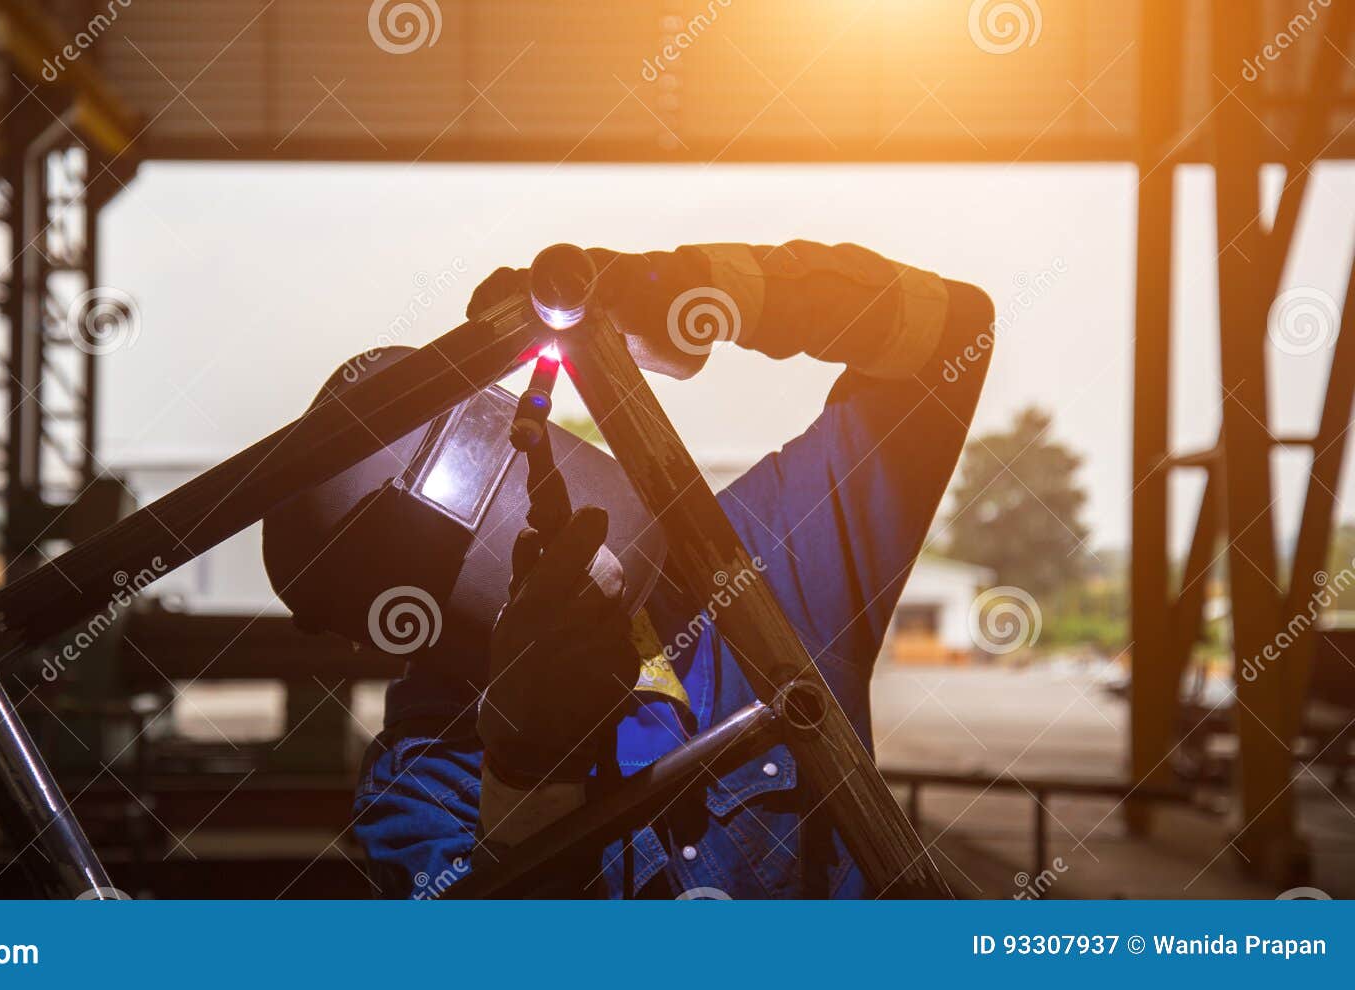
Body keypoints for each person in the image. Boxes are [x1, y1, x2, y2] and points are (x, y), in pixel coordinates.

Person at [352, 240, 996, 898]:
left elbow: (949, 335)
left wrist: (686, 291)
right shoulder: (423, 784)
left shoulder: (749, 559)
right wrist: (527, 777)